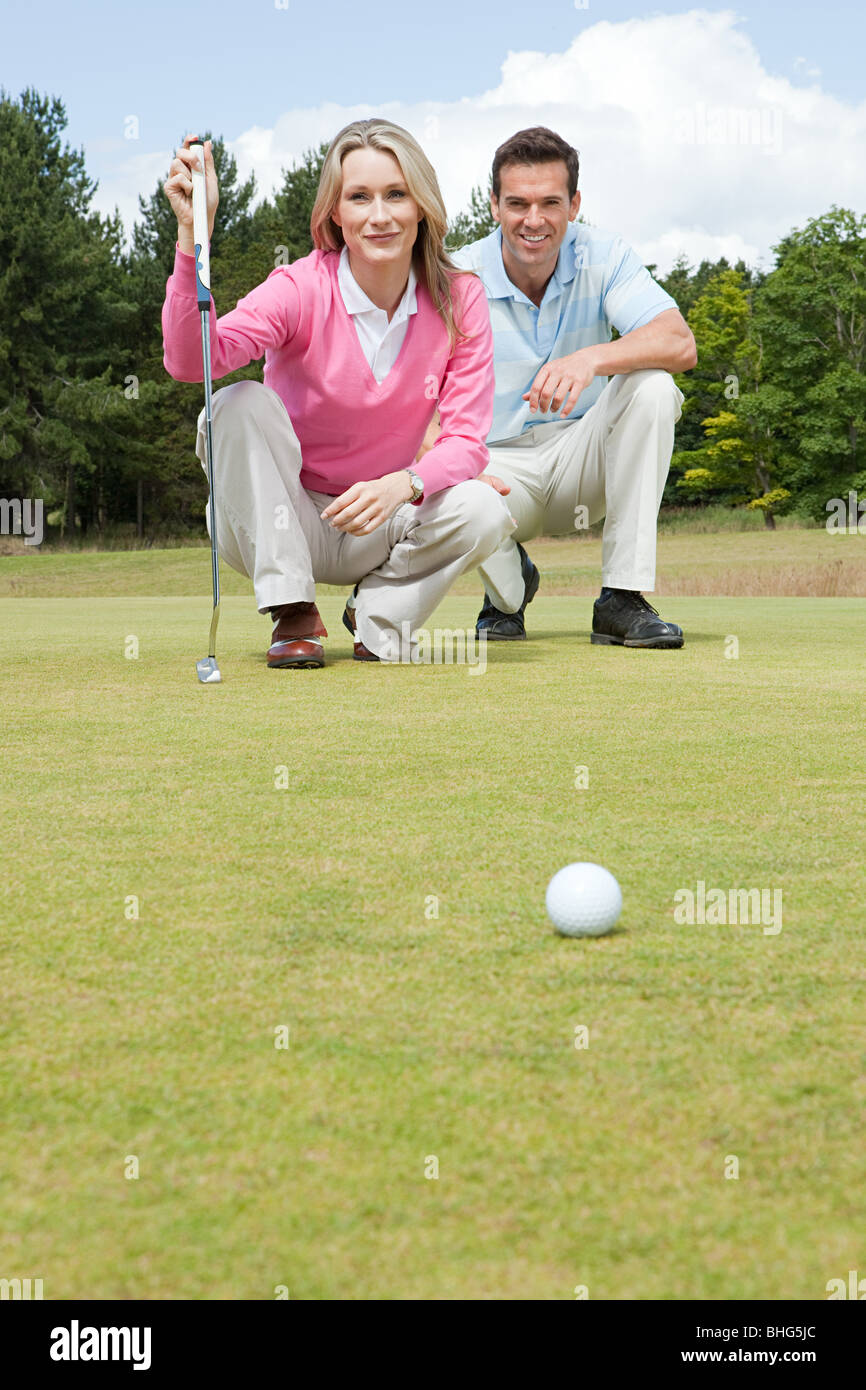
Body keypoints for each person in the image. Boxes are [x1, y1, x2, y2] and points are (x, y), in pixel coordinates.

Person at [161, 120, 515, 667]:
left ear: (421, 205)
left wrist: (404, 483)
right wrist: (193, 234)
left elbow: (467, 439)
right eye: (359, 197)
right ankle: (292, 608)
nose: (380, 215)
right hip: (280, 519)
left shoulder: (460, 297)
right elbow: (192, 362)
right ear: (335, 212)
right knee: (234, 404)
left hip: (381, 518)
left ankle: (377, 617)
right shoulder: (299, 287)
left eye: (396, 194)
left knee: (483, 506)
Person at [445, 126, 697, 648]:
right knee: (444, 462)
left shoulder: (604, 255)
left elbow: (679, 343)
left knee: (651, 384)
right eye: (517, 203)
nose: (533, 220)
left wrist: (592, 359)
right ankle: (507, 594)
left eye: (549, 203)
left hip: (584, 458)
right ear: (493, 205)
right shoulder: (456, 272)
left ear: (575, 204)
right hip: (495, 470)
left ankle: (621, 599)